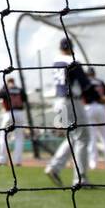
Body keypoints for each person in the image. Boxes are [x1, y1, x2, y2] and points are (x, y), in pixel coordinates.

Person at [43, 37, 93, 187]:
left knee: (74, 136)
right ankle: (80, 178)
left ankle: (54, 167)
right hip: (72, 101)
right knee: (83, 137)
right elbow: (86, 85)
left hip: (59, 102)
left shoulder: (56, 62)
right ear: (71, 48)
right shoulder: (72, 61)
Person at [83, 67, 105, 169]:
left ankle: (93, 164)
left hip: (88, 108)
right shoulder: (100, 82)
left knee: (92, 138)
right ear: (94, 73)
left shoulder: (85, 82)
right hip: (101, 108)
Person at [0, 76, 28, 167]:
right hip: (20, 113)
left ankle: (2, 160)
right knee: (19, 138)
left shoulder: (5, 89)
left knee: (3, 136)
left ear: (7, 82)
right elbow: (25, 99)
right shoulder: (20, 89)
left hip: (9, 113)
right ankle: (17, 161)